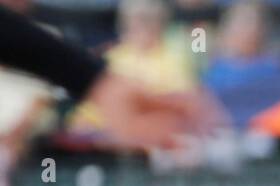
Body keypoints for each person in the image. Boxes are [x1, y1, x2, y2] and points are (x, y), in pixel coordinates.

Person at [0, 3, 214, 150]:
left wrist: (97, 82)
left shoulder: (175, 56)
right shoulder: (113, 57)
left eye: (147, 20)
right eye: (136, 20)